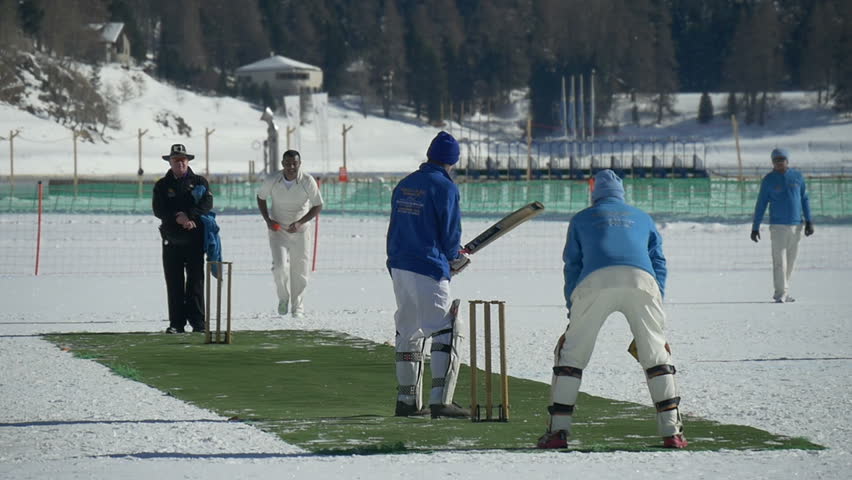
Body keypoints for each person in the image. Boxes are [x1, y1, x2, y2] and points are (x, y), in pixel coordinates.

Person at [537, 169, 687, 449]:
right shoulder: (642, 217)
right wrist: (656, 306)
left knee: (572, 355)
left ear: (594, 193)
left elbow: (572, 266)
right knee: (655, 355)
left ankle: (558, 432)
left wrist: (573, 314)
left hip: (595, 280)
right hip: (643, 281)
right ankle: (672, 433)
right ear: (622, 193)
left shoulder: (582, 218)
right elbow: (659, 263)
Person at [386, 131, 471, 419]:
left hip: (399, 264)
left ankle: (406, 401)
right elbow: (450, 231)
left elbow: (397, 226)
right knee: (446, 327)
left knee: (409, 330)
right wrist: (453, 258)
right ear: (453, 161)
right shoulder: (445, 187)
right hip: (428, 265)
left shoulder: (407, 183)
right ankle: (441, 401)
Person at [152, 144, 213, 334]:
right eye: (176, 160)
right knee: (174, 282)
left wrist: (190, 216)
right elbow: (158, 210)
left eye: (183, 160)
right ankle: (176, 323)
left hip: (194, 239)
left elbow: (207, 203)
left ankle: (198, 322)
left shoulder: (200, 181)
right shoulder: (162, 185)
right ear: (170, 162)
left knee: (195, 281)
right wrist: (178, 217)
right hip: (172, 239)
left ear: (188, 161)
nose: (180, 163)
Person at [256, 150, 323, 317]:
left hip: (300, 231)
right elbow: (261, 197)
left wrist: (301, 222)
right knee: (279, 267)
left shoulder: (307, 181)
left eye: (294, 163)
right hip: (278, 230)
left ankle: (297, 306)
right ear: (282, 164)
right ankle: (283, 298)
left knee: (300, 270)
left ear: (299, 164)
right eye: (288, 164)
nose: (291, 167)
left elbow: (318, 205)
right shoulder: (273, 179)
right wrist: (268, 220)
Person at [751, 148, 814, 303]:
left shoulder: (797, 177)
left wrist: (809, 221)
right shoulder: (768, 180)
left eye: (781, 159)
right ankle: (780, 293)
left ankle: (784, 290)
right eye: (776, 160)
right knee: (780, 261)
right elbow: (761, 204)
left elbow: (805, 199)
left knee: (791, 262)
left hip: (796, 225)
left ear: (787, 160)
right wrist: (755, 227)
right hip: (778, 226)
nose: (779, 162)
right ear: (772, 162)